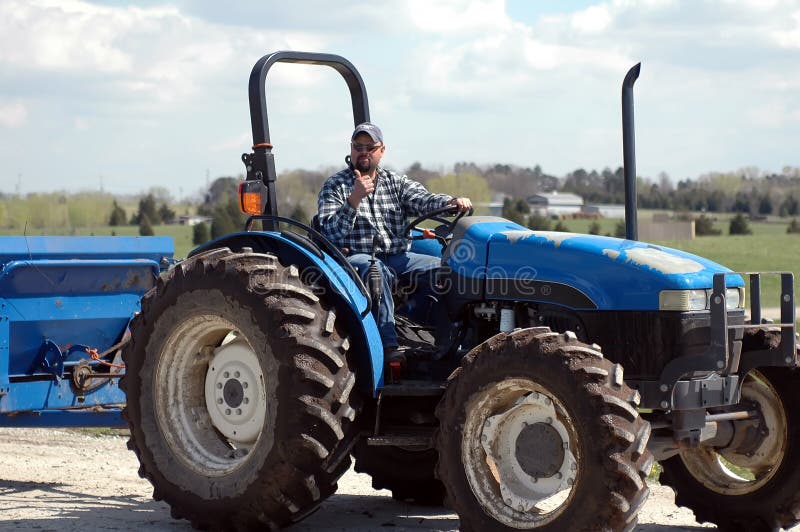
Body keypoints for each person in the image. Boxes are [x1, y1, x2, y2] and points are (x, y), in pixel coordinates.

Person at [317, 122, 471, 372]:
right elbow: (329, 232)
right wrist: (354, 199)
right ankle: (389, 348)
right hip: (356, 258)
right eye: (358, 146)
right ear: (351, 149)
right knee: (376, 271)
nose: (363, 152)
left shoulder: (394, 183)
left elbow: (423, 200)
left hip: (399, 257)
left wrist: (451, 202)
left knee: (447, 270)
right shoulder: (335, 186)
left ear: (381, 150)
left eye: (370, 147)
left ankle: (449, 343)